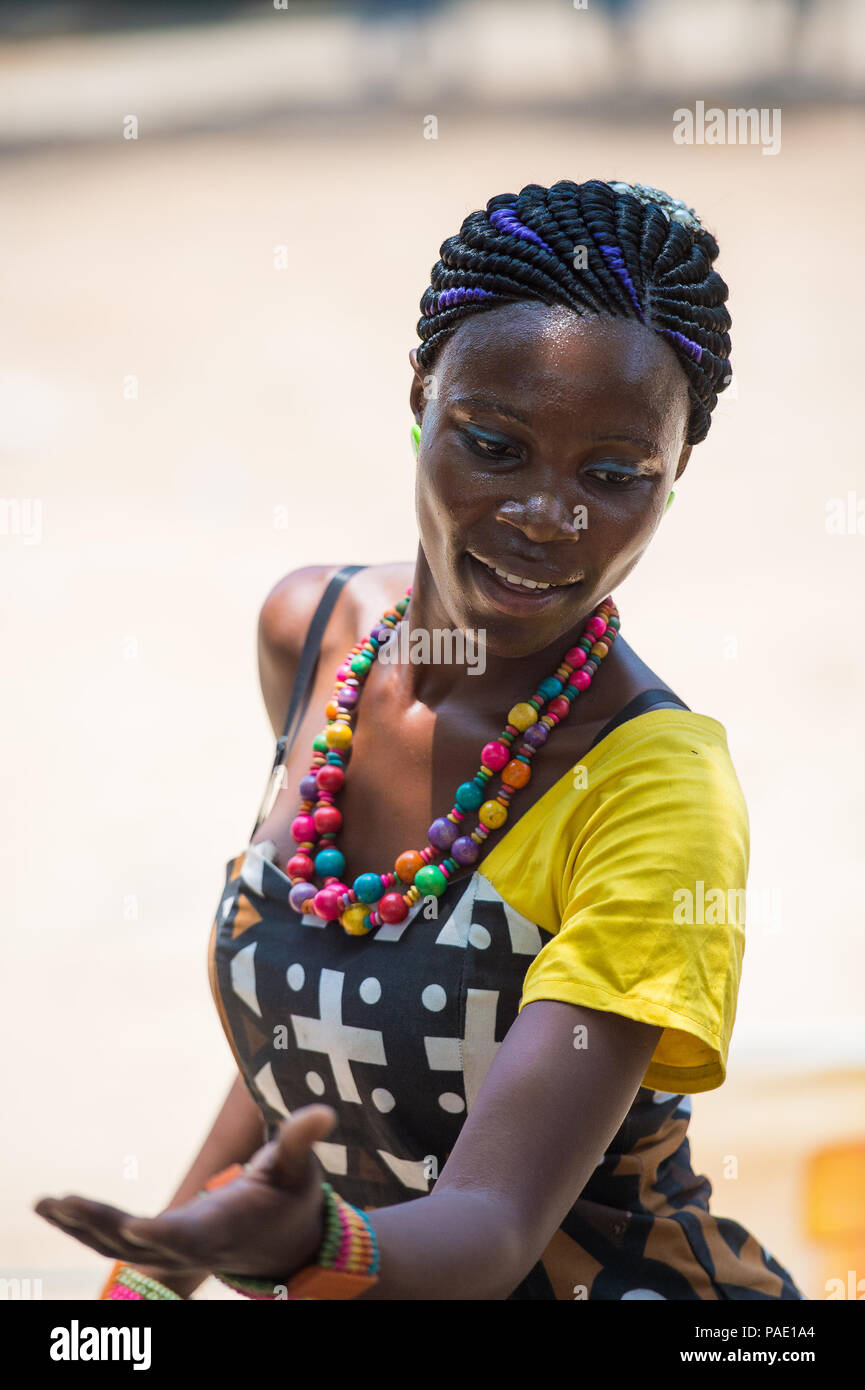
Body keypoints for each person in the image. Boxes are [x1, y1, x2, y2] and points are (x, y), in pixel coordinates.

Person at [36, 178, 805, 1301]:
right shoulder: (311, 636)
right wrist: (145, 1287)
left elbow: (491, 1229)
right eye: (493, 445)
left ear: (675, 471)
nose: (549, 515)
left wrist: (313, 1246)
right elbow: (310, 1039)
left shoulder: (653, 787)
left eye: (612, 475)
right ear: (420, 398)